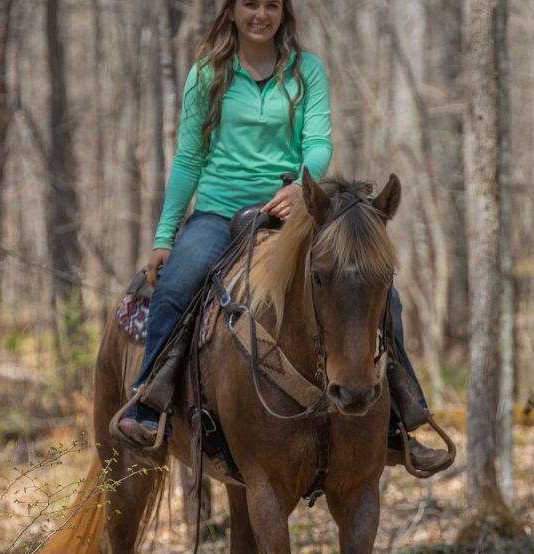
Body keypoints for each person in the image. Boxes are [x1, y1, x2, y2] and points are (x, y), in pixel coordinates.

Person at [117, 0, 451, 476]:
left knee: (378, 293)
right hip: (217, 212)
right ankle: (149, 406)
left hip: (290, 212)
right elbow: (189, 158)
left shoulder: (306, 71)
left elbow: (317, 142)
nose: (261, 15)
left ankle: (403, 418)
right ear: (231, 11)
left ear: (283, 13)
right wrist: (165, 235)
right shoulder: (206, 75)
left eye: (271, 5)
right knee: (176, 287)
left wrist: (300, 186)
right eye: (250, 4)